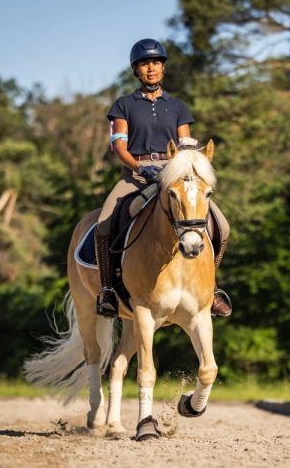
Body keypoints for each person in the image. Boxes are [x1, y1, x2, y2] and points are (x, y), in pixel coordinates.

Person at [94, 38, 232, 318]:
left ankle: (212, 288)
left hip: (174, 175)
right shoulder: (123, 105)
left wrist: (180, 169)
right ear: (136, 70)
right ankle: (108, 290)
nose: (151, 68)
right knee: (104, 224)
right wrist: (140, 168)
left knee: (223, 226)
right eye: (145, 64)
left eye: (156, 63)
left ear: (163, 68)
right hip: (135, 175)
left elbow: (186, 146)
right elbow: (119, 147)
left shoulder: (178, 107)